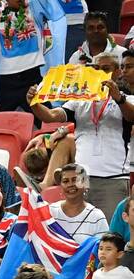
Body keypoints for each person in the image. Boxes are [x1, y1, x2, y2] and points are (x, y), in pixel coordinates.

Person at [29, 78, 134, 220]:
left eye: (105, 68)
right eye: (95, 69)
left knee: (111, 236)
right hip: (81, 180)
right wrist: (34, 103)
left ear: (115, 72)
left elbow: (131, 115)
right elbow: (50, 116)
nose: (99, 74)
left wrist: (118, 98)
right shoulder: (78, 102)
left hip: (113, 179)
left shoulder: (128, 99)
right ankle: (45, 183)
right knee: (80, 232)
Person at [47, 164, 110, 241]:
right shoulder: (50, 212)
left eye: (75, 180)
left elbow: (103, 248)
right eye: (65, 181)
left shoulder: (97, 216)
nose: (70, 184)